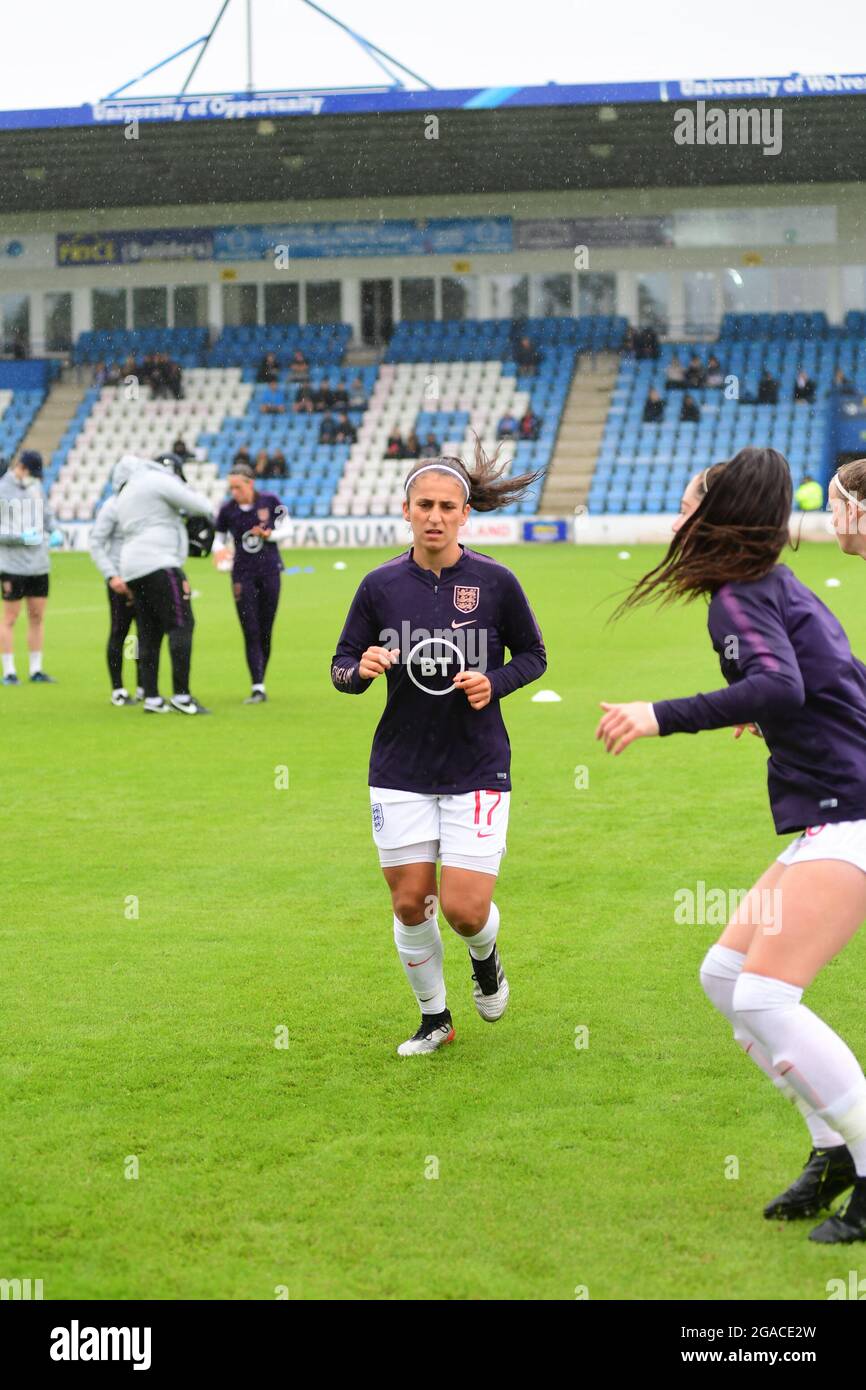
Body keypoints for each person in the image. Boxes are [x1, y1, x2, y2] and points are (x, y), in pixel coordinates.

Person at [597, 447, 866, 1244]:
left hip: (850, 814)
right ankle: (832, 1148)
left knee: (763, 996)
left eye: (687, 503)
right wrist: (776, 711)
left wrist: (658, 714)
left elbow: (782, 683)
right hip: (836, 810)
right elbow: (824, 679)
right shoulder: (768, 587)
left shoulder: (741, 595)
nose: (677, 516)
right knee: (725, 976)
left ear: (718, 518)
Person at [330, 443, 548, 1056]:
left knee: (464, 909)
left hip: (477, 764)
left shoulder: (495, 581)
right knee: (409, 902)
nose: (434, 515)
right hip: (400, 766)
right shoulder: (379, 587)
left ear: (465, 513)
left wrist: (493, 682)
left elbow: (534, 655)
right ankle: (435, 1018)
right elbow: (341, 665)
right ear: (406, 510)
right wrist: (361, 669)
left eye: (446, 506)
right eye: (423, 504)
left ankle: (486, 959)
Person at [114, 453, 213, 715]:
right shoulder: (155, 479)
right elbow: (199, 505)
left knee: (149, 630)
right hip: (159, 561)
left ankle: (152, 698)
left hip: (132, 566)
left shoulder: (125, 492)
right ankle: (182, 696)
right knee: (182, 624)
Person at [214, 462, 289, 704]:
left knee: (265, 630)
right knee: (250, 630)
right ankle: (257, 685)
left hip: (270, 572)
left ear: (250, 483)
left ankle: (260, 678)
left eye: (238, 487)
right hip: (242, 575)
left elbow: (288, 529)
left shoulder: (270, 501)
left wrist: (271, 535)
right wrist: (219, 551)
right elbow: (218, 540)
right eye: (231, 488)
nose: (234, 492)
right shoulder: (227, 510)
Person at [0, 451, 62, 685]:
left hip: (38, 564)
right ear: (22, 467)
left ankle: (36, 669)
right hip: (12, 565)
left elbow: (47, 516)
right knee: (10, 617)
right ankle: (9, 671)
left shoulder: (36, 488)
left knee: (37, 616)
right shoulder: (2, 489)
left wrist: (55, 530)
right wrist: (20, 537)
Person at [89, 475, 142, 706]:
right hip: (120, 580)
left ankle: (143, 685)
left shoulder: (144, 504)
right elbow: (96, 542)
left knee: (142, 635)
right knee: (120, 632)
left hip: (143, 578)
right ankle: (118, 689)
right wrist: (111, 575)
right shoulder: (112, 507)